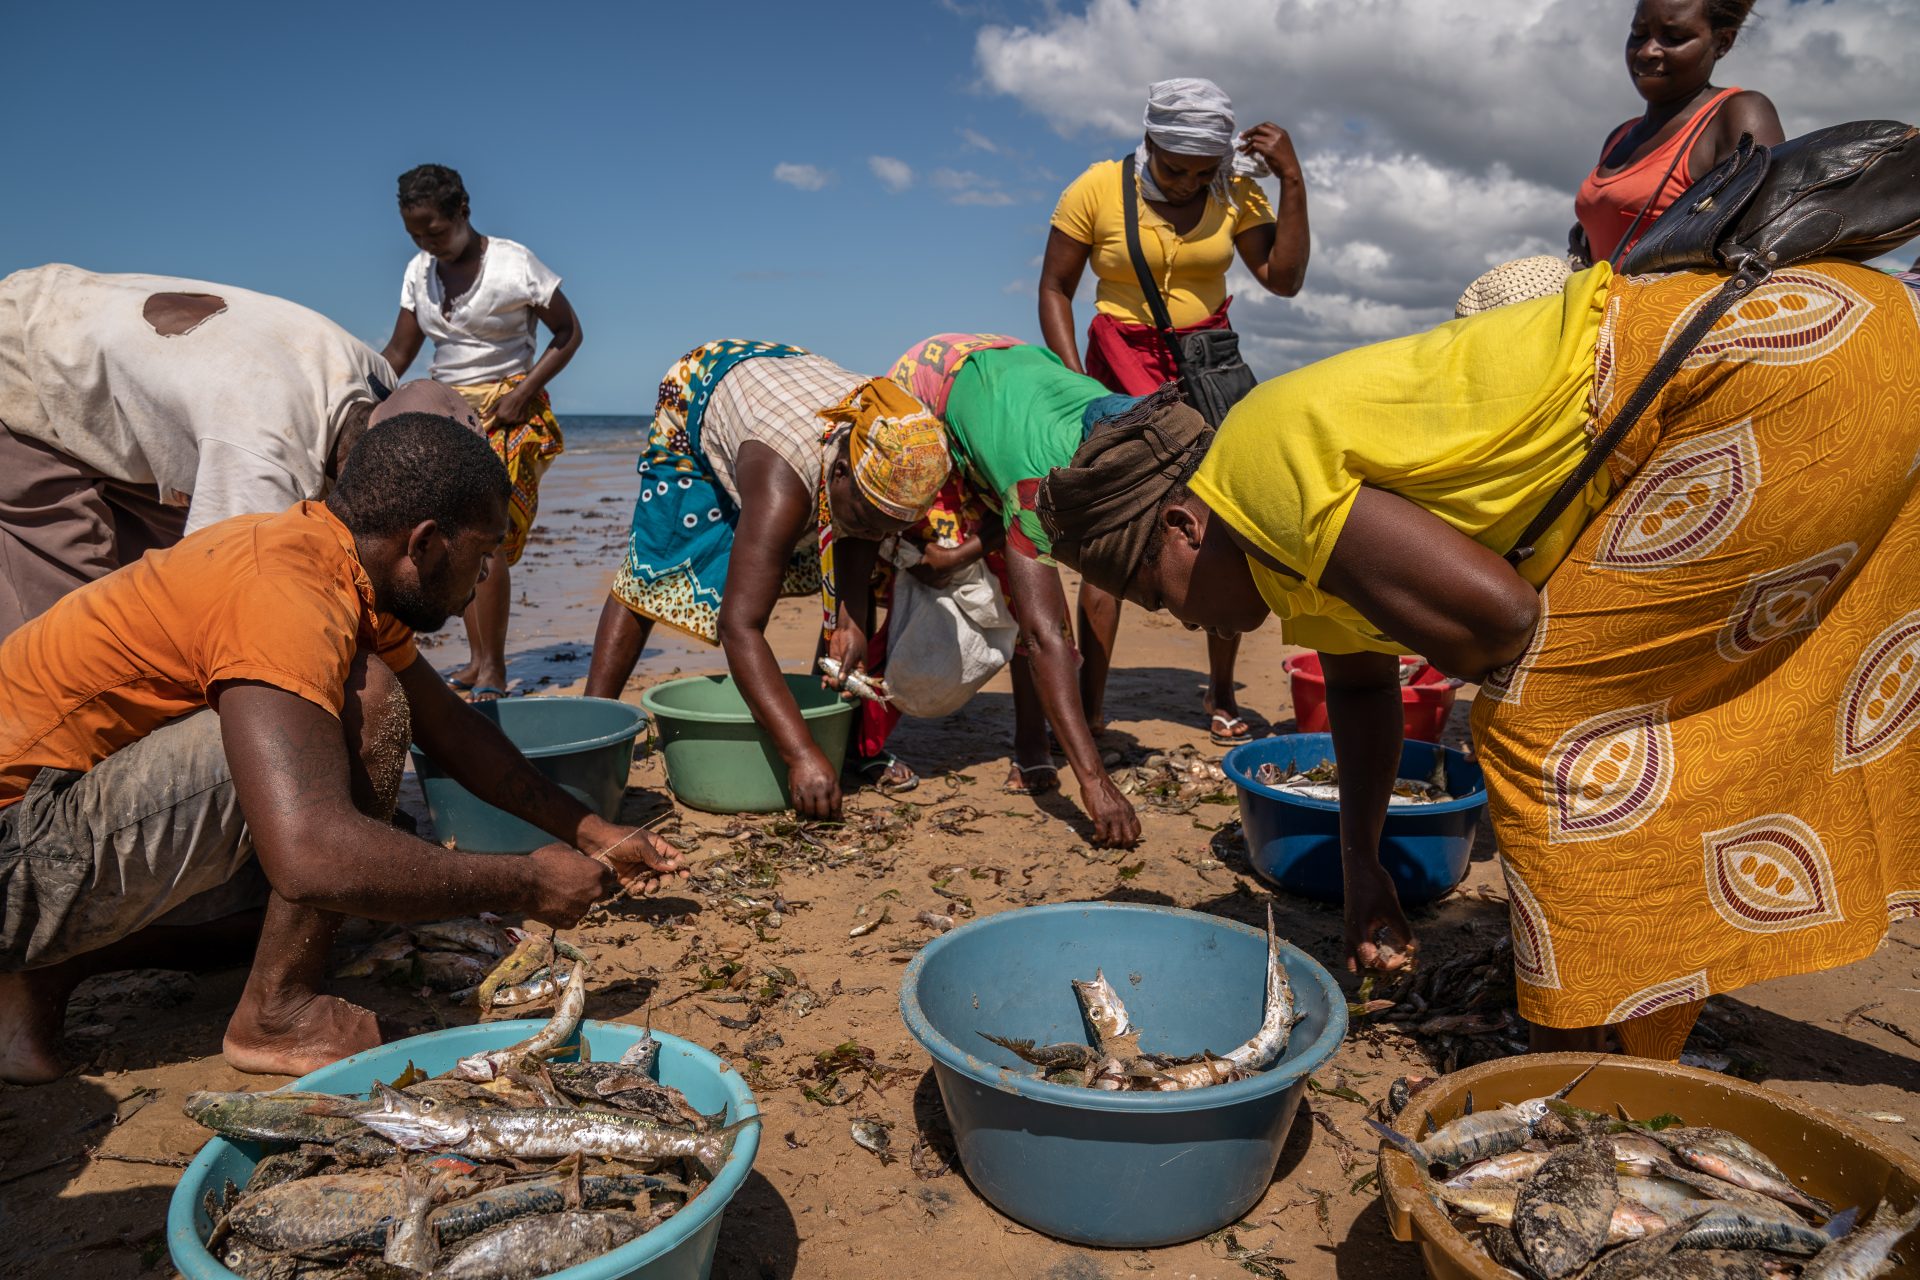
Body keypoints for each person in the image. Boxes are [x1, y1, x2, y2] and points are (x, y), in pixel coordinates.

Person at [1037, 259, 1920, 1059]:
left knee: (1543, 723)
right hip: (1840, 345)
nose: (1181, 624)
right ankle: (1636, 1012)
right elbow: (1359, 688)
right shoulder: (1280, 547)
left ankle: (1575, 1055)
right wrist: (1361, 863)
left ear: (1186, 526)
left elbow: (1501, 627)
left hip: (1776, 369)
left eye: (1158, 595)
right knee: (1653, 710)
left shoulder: (1260, 471)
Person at [0, 412, 684, 1084]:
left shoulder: (342, 562)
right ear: (425, 545)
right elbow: (311, 856)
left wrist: (592, 830)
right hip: (17, 855)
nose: (483, 579)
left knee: (334, 902)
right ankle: (275, 1015)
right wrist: (528, 881)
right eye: (482, 554)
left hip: (56, 819)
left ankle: (38, 982)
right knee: (365, 711)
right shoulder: (287, 590)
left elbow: (453, 729)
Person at [1038, 78, 1309, 748]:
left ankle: (1219, 694)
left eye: (1202, 170)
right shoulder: (1096, 190)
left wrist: (1292, 181)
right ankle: (1092, 707)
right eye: (1173, 167)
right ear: (1149, 140)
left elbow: (1283, 277)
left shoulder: (1236, 192)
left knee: (1225, 522)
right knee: (1114, 529)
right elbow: (1055, 288)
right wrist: (1076, 383)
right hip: (1118, 371)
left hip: (1207, 369)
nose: (1188, 183)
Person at [584, 340, 951, 811]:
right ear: (840, 473)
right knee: (658, 562)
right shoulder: (785, 482)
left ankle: (848, 747)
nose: (870, 535)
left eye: (889, 528)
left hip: (783, 389)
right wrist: (798, 755)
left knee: (846, 581)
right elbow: (739, 627)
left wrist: (852, 624)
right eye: (863, 520)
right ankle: (593, 728)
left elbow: (853, 572)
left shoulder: (883, 462)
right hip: (705, 389)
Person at [0, 264, 406, 642]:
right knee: (66, 625)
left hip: (100, 369)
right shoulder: (262, 450)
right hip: (24, 361)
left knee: (152, 580)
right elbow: (218, 593)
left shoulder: (381, 385)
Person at [892, 334, 1143, 848]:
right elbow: (1044, 629)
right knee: (1001, 575)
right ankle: (1030, 739)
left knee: (1017, 552)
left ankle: (1035, 738)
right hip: (933, 381)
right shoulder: (1036, 478)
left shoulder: (1123, 440)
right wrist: (1093, 783)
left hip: (1017, 369)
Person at [380, 164, 583, 703]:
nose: (428, 243)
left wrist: (522, 393)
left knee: (483, 539)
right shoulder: (417, 273)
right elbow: (400, 354)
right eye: (415, 234)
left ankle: (492, 670)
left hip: (507, 412)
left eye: (436, 231)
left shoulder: (514, 265)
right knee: (450, 540)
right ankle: (475, 663)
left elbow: (569, 332)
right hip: (446, 412)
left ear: (463, 212)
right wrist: (355, 391)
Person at [1572, 0, 1783, 269]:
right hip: (1600, 308)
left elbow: (1763, 244)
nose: (1647, 51)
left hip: (1669, 309)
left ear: (1722, 42)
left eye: (1674, 38)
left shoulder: (1738, 114)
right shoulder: (1620, 136)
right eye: (1638, 33)